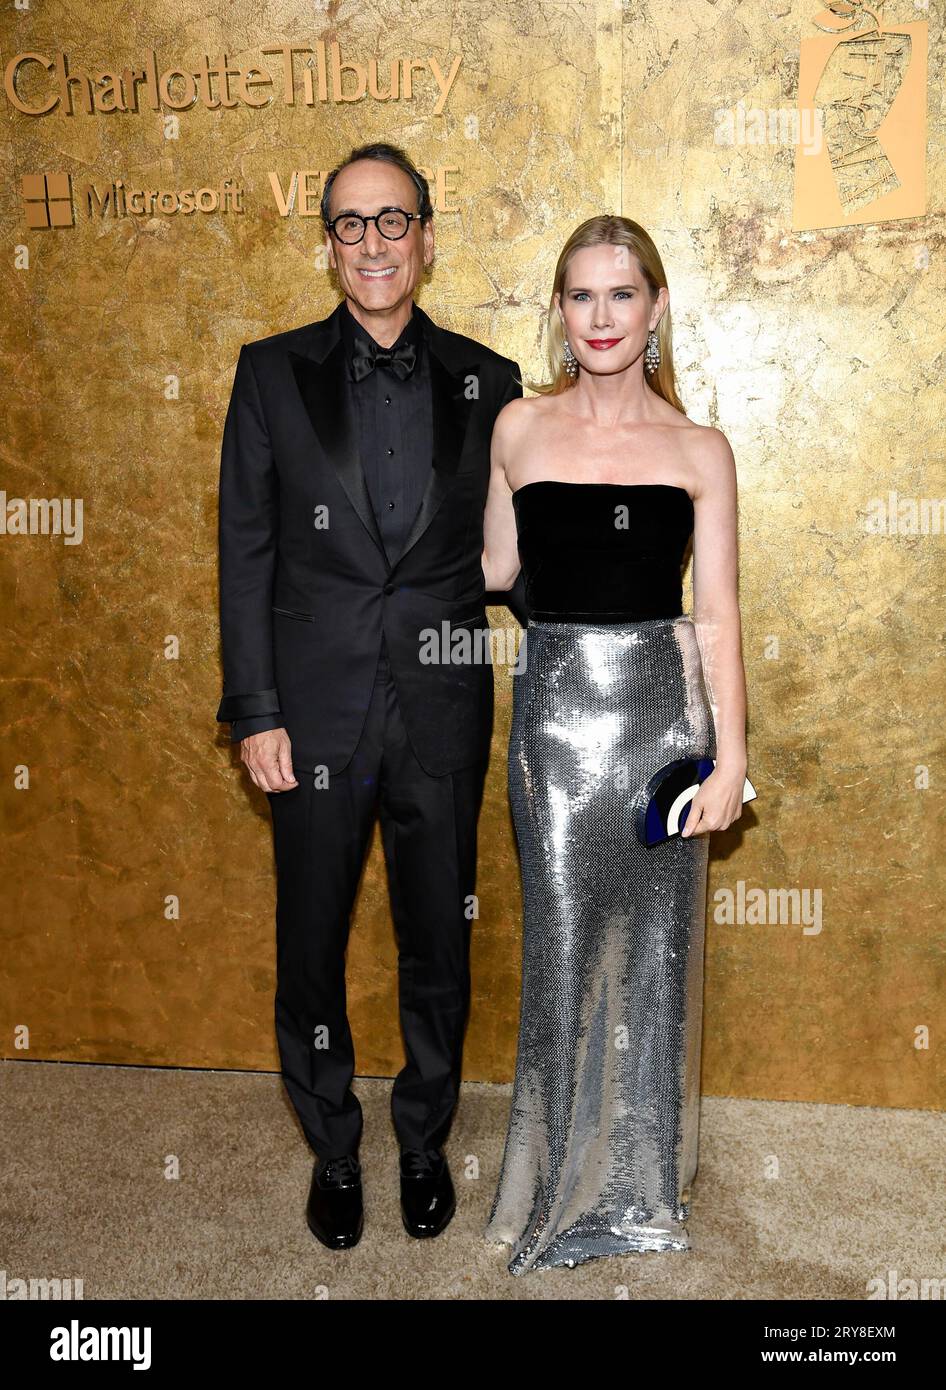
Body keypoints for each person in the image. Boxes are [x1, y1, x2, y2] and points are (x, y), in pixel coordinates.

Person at [215, 142, 524, 1250]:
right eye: (351, 223)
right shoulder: (269, 372)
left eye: (394, 221)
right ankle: (334, 1145)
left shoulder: (492, 380)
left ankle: (424, 1135)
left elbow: (518, 549)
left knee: (438, 933)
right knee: (313, 934)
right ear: (329, 243)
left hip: (441, 701)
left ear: (427, 237)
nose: (373, 243)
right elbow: (245, 549)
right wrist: (254, 710)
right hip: (311, 711)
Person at [480, 216, 749, 1275]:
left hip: (660, 723)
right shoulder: (516, 430)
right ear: (558, 312)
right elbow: (496, 567)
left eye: (621, 295)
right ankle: (549, 1182)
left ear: (656, 309)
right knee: (558, 952)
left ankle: (639, 1185)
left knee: (655, 958)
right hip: (552, 721)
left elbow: (717, 611)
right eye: (580, 296)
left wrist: (728, 759)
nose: (600, 317)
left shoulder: (698, 449)